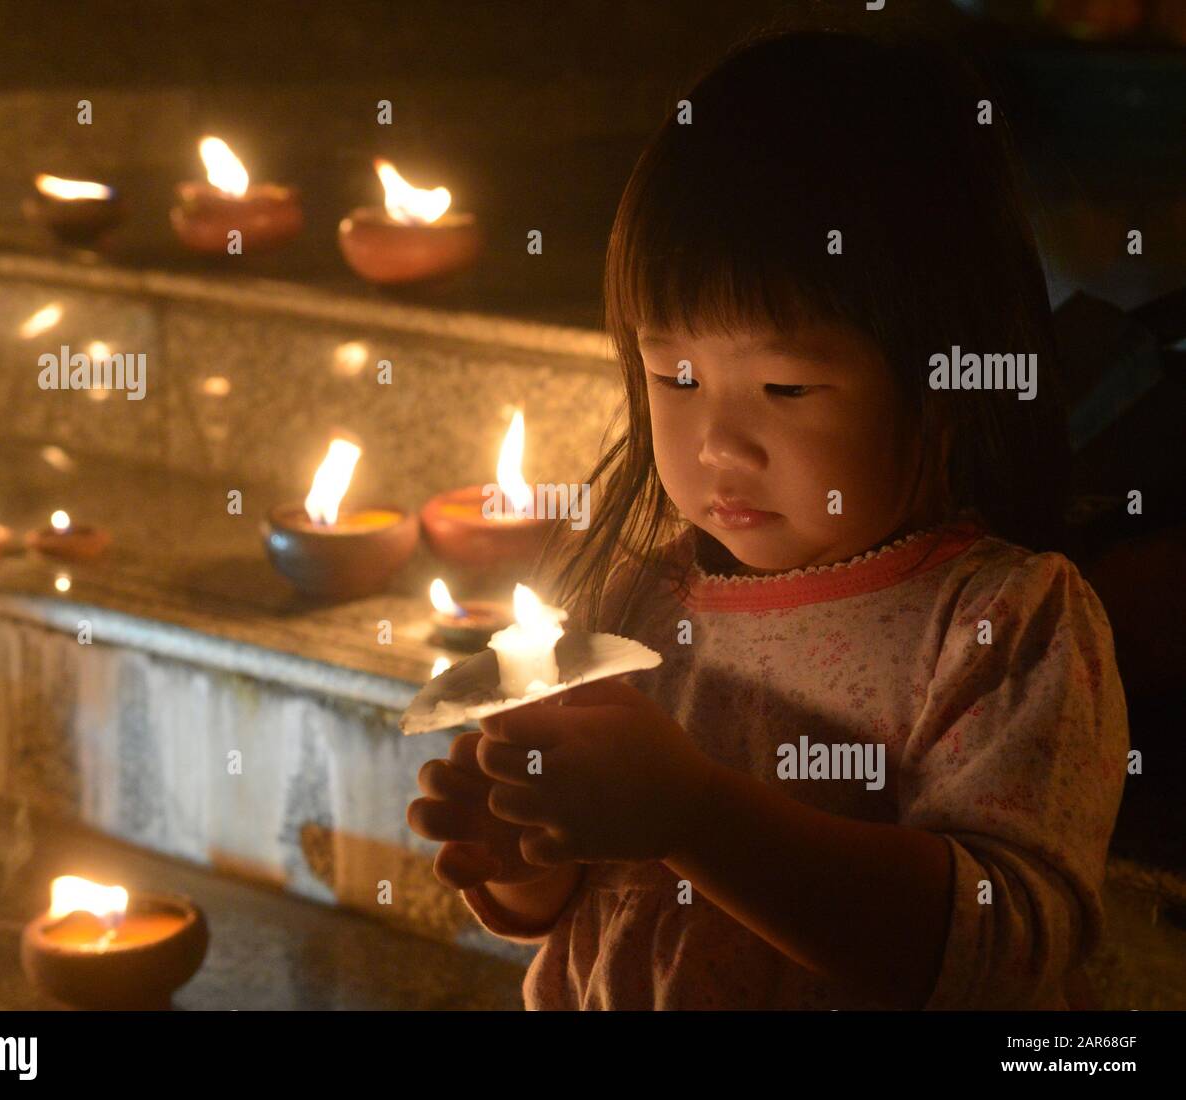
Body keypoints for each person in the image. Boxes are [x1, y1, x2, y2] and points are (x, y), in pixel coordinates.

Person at [407, 29, 1129, 1009]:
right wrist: (523, 848)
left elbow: (994, 947)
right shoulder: (643, 602)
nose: (717, 446)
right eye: (676, 377)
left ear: (948, 381)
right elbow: (597, 900)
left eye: (785, 386)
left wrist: (695, 813)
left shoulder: (1001, 623)